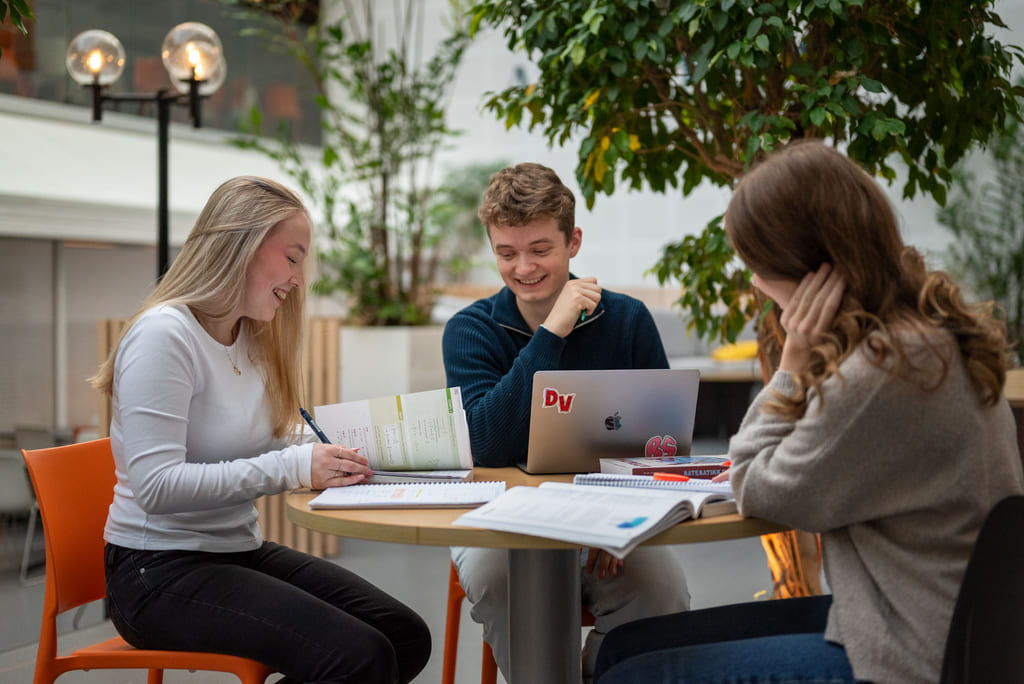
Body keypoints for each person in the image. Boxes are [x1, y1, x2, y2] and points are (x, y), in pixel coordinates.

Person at [593, 141, 1024, 684]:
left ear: (806, 269)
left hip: (904, 653)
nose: (753, 282)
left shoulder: (883, 368)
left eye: (755, 265)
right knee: (624, 647)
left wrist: (792, 355)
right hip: (924, 623)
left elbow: (754, 481)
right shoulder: (921, 335)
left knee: (627, 675)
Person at [91, 176, 431, 683]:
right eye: (292, 258)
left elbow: (269, 435)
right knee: (357, 656)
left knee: (403, 636)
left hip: (234, 551)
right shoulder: (165, 334)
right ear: (241, 247)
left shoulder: (246, 335)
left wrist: (338, 452)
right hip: (155, 572)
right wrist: (295, 466)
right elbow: (158, 488)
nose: (298, 279)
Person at [442, 162, 691, 680]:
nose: (523, 268)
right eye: (506, 253)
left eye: (539, 250)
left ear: (573, 241)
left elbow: (665, 447)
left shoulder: (627, 320)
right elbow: (487, 443)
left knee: (661, 589)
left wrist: (621, 517)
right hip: (501, 517)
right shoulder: (469, 330)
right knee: (501, 580)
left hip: (613, 511)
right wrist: (551, 334)